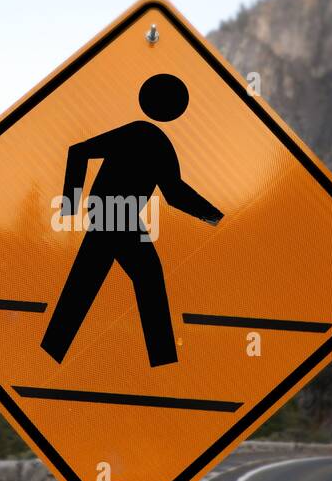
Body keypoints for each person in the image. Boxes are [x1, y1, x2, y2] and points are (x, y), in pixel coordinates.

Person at [41, 73, 222, 367]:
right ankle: (163, 361)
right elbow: (79, 151)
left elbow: (173, 193)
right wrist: (70, 207)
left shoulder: (157, 143)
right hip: (112, 214)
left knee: (92, 279)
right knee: (141, 275)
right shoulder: (140, 134)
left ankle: (52, 351)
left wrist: (216, 218)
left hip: (117, 216)